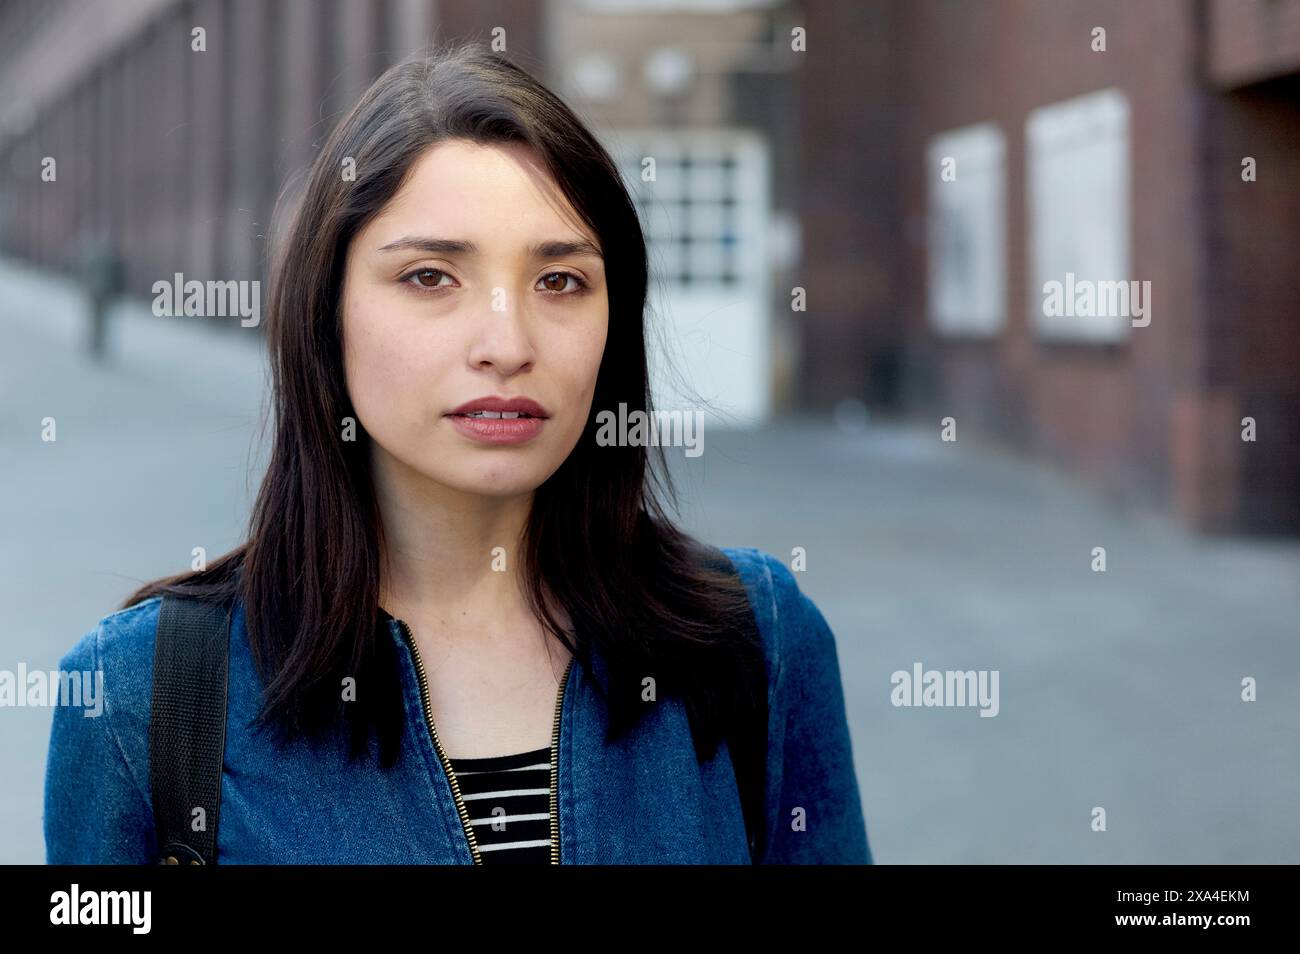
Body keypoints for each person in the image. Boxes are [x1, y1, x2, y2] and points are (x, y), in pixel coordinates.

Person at [43, 41, 870, 865]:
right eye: (432, 277)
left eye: (561, 281)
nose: (506, 344)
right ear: (326, 315)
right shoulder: (145, 699)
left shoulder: (754, 640)